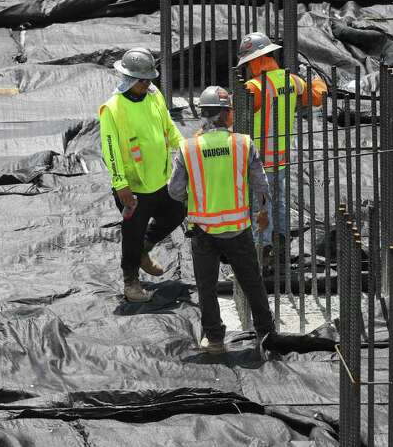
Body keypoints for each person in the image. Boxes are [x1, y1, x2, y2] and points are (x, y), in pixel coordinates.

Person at [168, 86, 274, 356]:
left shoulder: (188, 148)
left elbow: (175, 190)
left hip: (203, 231)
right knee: (252, 283)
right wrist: (263, 213)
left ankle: (215, 339)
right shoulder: (243, 144)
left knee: (206, 287)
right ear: (226, 114)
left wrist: (196, 197)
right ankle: (267, 336)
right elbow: (261, 185)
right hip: (238, 229)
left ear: (203, 115)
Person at [99, 47, 186, 303]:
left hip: (161, 179)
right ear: (128, 78)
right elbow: (110, 149)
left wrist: (185, 150)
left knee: (176, 213)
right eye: (142, 80)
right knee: (132, 233)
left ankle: (143, 250)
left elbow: (168, 126)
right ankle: (131, 282)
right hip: (134, 186)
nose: (147, 84)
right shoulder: (112, 108)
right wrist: (120, 184)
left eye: (149, 79)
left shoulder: (154, 95)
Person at [236, 31, 327, 267]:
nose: (247, 68)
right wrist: (316, 79)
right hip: (281, 158)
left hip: (257, 160)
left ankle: (262, 252)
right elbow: (317, 96)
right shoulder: (293, 81)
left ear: (255, 61)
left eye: (248, 63)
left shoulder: (253, 87)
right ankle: (282, 245)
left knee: (260, 206)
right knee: (279, 202)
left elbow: (232, 120)